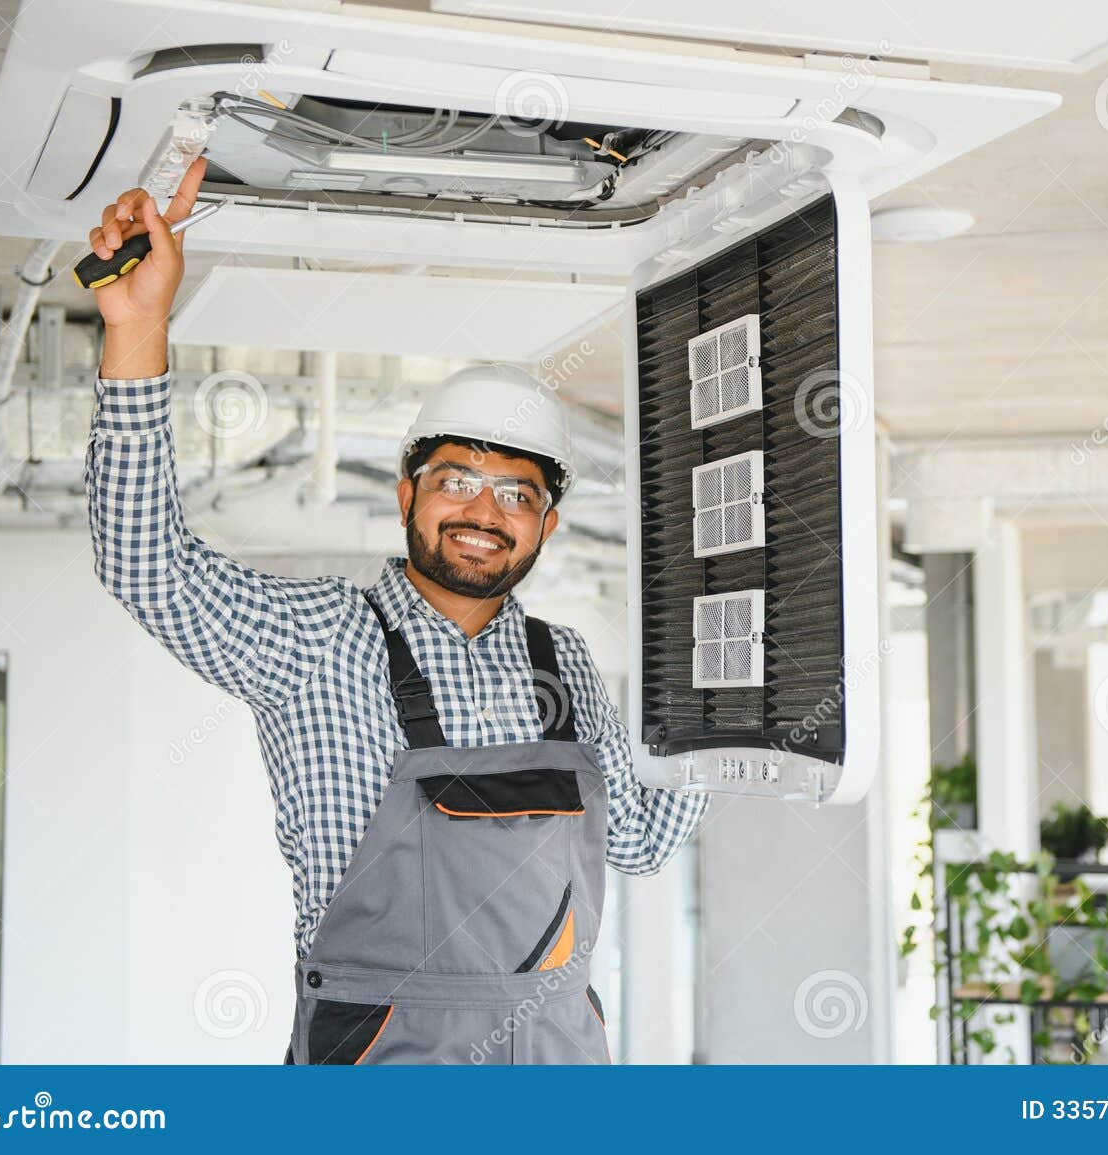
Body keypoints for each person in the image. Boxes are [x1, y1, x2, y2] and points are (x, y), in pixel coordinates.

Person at [83, 158, 708, 1064]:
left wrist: (725, 680)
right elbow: (145, 565)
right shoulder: (319, 638)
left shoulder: (562, 661)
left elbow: (643, 843)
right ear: (408, 493)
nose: (484, 512)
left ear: (547, 523)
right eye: (457, 481)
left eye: (517, 494)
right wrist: (137, 329)